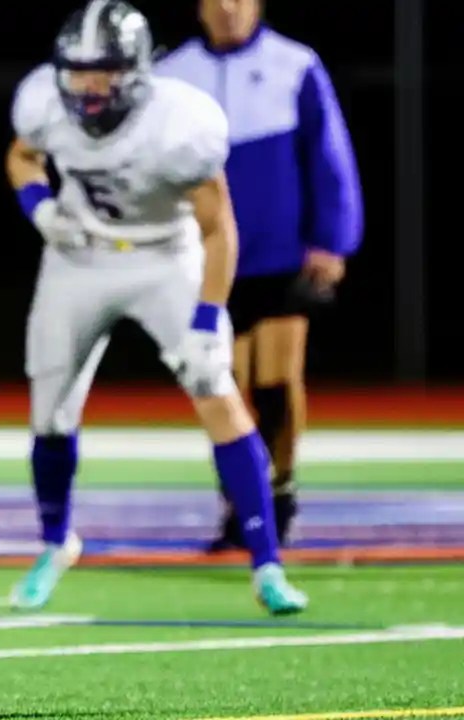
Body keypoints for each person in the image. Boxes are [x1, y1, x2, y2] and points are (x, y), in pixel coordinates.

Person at [4, 0, 306, 615]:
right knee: (49, 411)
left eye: (106, 70)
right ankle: (55, 542)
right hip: (80, 258)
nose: (89, 85)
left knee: (216, 388)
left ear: (138, 71)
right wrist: (39, 208)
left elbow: (220, 228)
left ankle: (268, 565)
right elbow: (20, 156)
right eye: (79, 70)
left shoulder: (179, 121)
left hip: (165, 258)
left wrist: (205, 317)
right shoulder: (43, 101)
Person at [154, 0, 364, 552]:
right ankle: (241, 508)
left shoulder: (294, 64)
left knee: (275, 383)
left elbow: (328, 153)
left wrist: (331, 240)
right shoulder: (172, 76)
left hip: (277, 254)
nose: (229, 9)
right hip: (204, 260)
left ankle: (282, 492)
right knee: (223, 384)